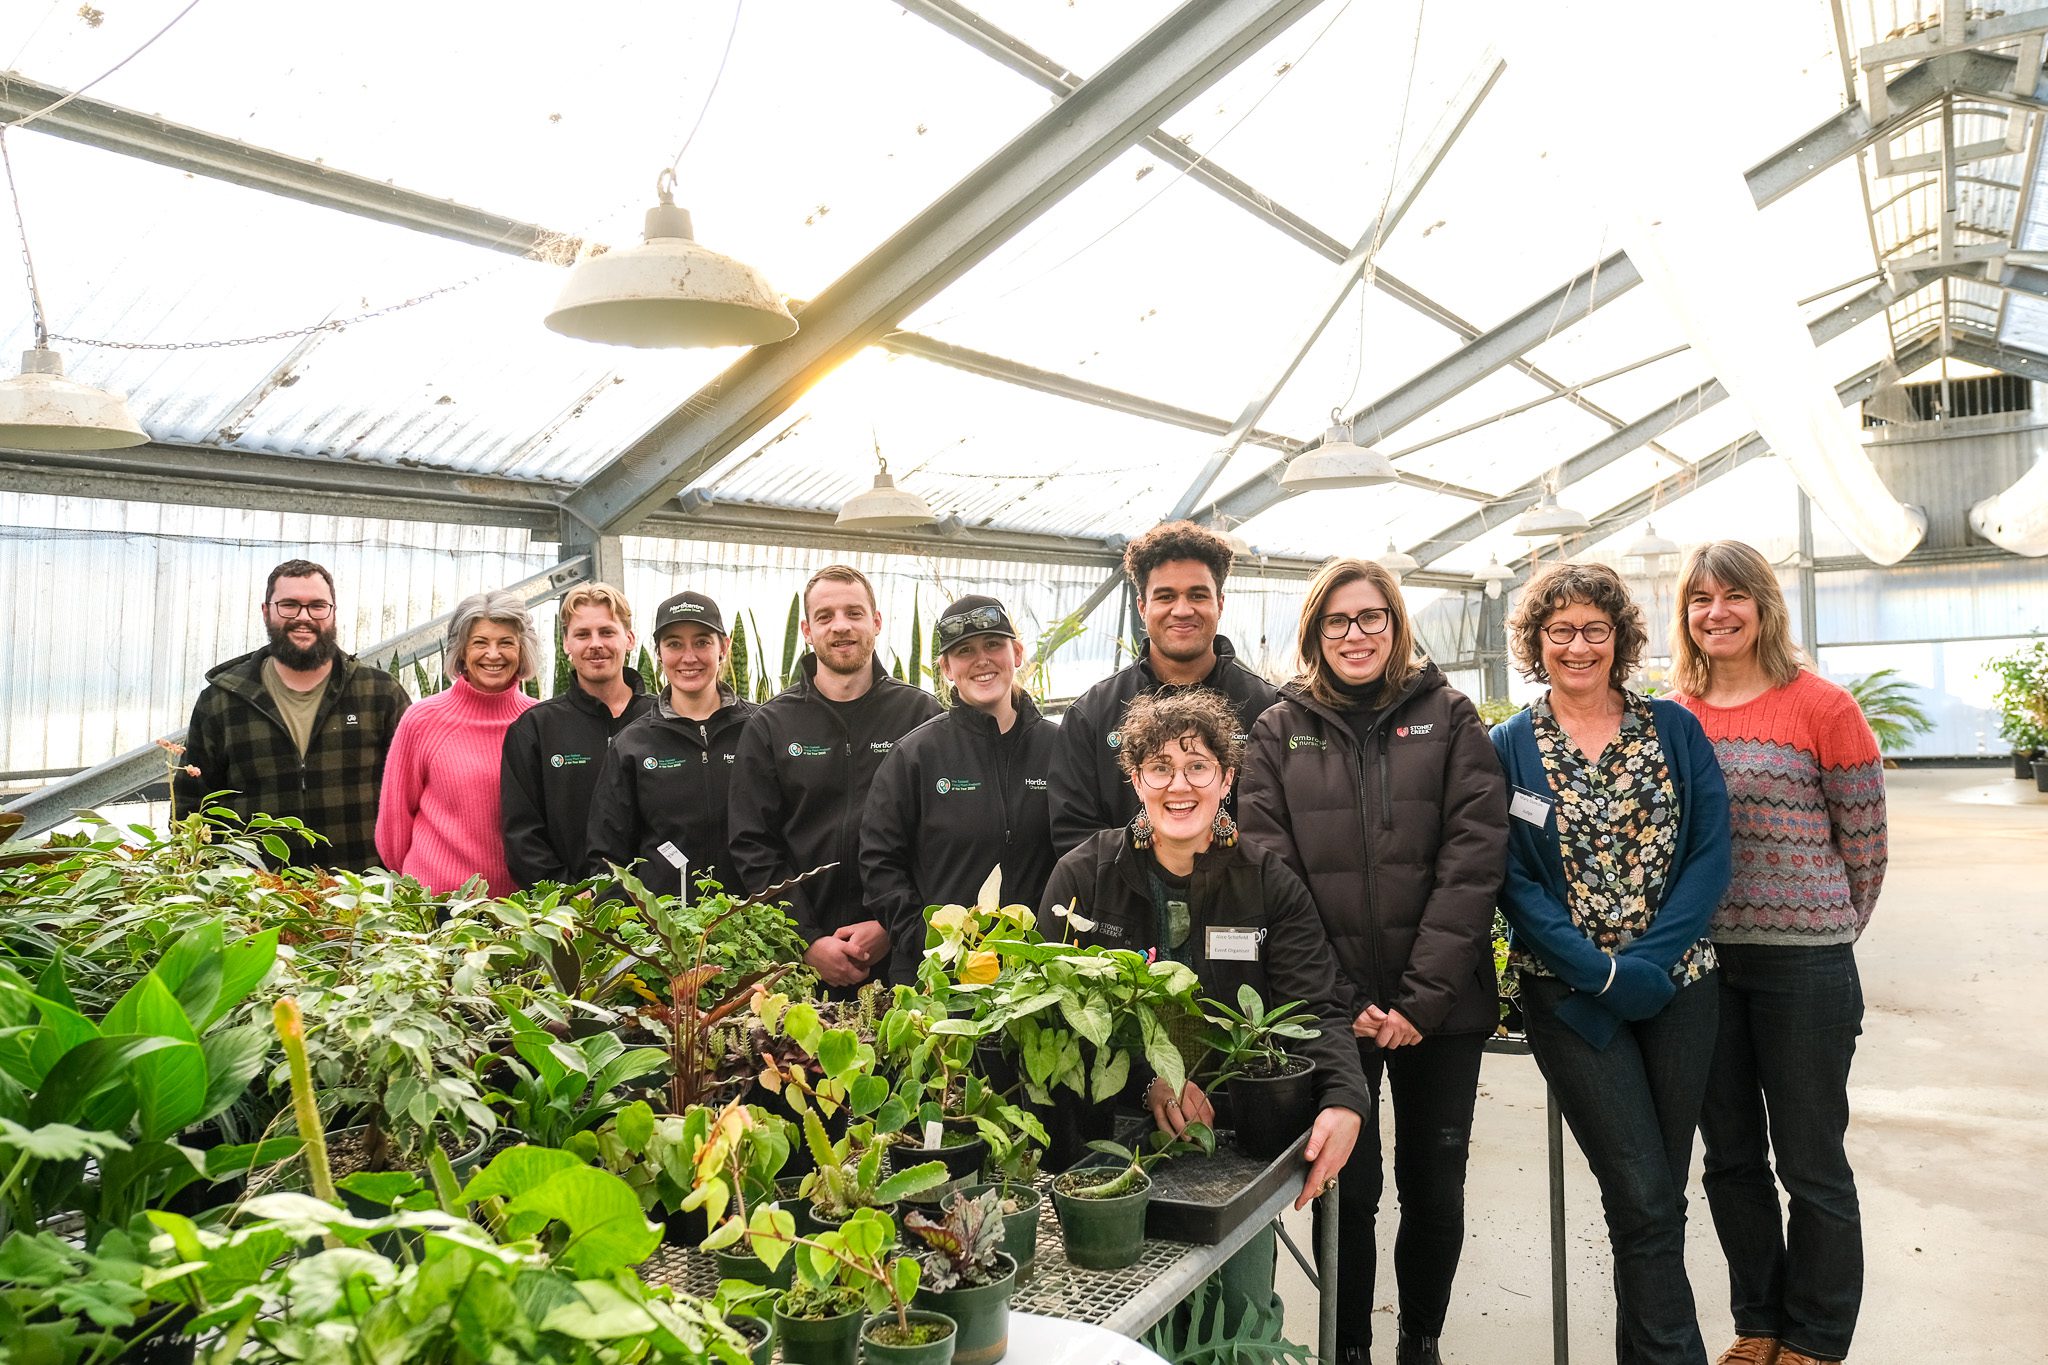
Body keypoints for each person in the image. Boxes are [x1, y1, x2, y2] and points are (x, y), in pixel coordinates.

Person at [1236, 557, 1507, 1365]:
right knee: (1346, 1187)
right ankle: (1345, 1346)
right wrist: (1338, 995)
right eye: (1338, 621)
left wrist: (1422, 999)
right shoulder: (1278, 731)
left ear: (1397, 626)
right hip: (1329, 1008)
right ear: (1316, 632)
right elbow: (1268, 871)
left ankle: (1419, 1336)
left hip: (1440, 1009)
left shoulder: (1451, 717)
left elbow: (1474, 858)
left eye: (1372, 617)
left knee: (1435, 1182)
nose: (1356, 634)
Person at [1492, 561, 1732, 1365]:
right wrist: (1597, 973)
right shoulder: (1510, 747)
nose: (1579, 644)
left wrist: (1644, 967)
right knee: (1643, 1193)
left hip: (1680, 988)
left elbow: (1708, 854)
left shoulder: (1673, 730)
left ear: (1621, 638)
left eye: (1596, 628)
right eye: (1560, 630)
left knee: (1657, 1199)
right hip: (1570, 1001)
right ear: (1537, 642)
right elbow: (1513, 880)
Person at [1669, 541, 1885, 1365]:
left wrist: (1823, 925)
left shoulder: (1821, 706)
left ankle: (1818, 1336)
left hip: (1805, 967)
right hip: (1704, 965)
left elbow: (1864, 845)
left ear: (1764, 604)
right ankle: (1758, 1321)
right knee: (1729, 1156)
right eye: (1699, 600)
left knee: (1811, 1158)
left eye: (1732, 597)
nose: (1716, 612)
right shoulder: (1672, 709)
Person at [1040, 688, 1366, 1208]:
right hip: (1106, 1129)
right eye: (1159, 768)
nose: (1179, 785)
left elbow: (1316, 1006)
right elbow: (1051, 1013)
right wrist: (1151, 1083)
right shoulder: (1085, 875)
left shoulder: (1267, 882)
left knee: (1242, 1291)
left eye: (1198, 767)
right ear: (1135, 779)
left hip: (1234, 1130)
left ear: (1227, 779)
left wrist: (1345, 1099)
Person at [727, 565, 942, 989]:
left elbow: (939, 838)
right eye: (825, 617)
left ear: (876, 622)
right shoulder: (771, 725)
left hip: (903, 955)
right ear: (806, 630)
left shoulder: (921, 716)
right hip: (800, 965)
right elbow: (754, 845)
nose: (840, 626)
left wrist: (890, 923)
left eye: (854, 613)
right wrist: (807, 940)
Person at [1048, 520, 1280, 855]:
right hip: (1126, 904)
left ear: (1221, 603)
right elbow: (1075, 836)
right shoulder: (1093, 716)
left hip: (1242, 904)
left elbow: (1279, 827)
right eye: (1166, 596)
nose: (1182, 610)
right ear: (1143, 607)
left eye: (1198, 595)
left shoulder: (1266, 708)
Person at [862, 595, 1059, 982]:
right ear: (947, 668)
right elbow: (879, 863)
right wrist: (931, 942)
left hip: (1038, 975)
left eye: (993, 645)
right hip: (940, 978)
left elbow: (1086, 852)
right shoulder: (915, 756)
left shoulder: (1062, 749)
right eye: (964, 651)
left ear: (1016, 653)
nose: (981, 660)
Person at [174, 558, 410, 871]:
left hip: (360, 896)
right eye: (288, 605)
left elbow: (416, 794)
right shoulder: (223, 701)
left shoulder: (379, 694)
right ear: (266, 611)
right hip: (257, 901)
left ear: (333, 612)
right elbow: (191, 803)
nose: (304, 617)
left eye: (317, 606)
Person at [586, 590, 756, 898]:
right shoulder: (633, 744)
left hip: (754, 924)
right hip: (663, 932)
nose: (688, 657)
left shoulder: (760, 729)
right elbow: (609, 857)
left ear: (724, 647)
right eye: (674, 643)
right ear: (659, 653)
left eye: (702, 642)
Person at [376, 590, 541, 896]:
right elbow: (393, 829)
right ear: (461, 651)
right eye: (480, 643)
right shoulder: (423, 719)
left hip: (520, 909)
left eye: (506, 642)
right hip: (438, 905)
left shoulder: (540, 721)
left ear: (522, 650)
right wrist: (422, 887)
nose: (493, 654)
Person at [499, 584, 653, 889]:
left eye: (607, 632)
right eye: (582, 634)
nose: (595, 644)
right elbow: (522, 834)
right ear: (566, 644)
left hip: (659, 909)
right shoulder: (536, 729)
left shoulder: (663, 720)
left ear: (630, 639)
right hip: (569, 916)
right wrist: (568, 896)